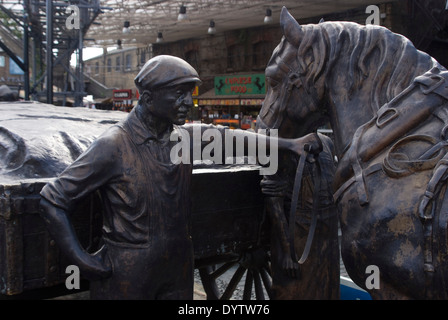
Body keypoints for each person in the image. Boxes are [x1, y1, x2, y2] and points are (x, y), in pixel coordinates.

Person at [39, 55, 322, 300]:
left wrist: (291, 144)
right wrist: (82, 260)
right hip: (130, 268)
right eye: (179, 94)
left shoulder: (182, 138)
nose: (189, 102)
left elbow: (233, 138)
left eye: (190, 93)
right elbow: (53, 199)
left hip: (178, 263)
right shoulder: (114, 145)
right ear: (148, 98)